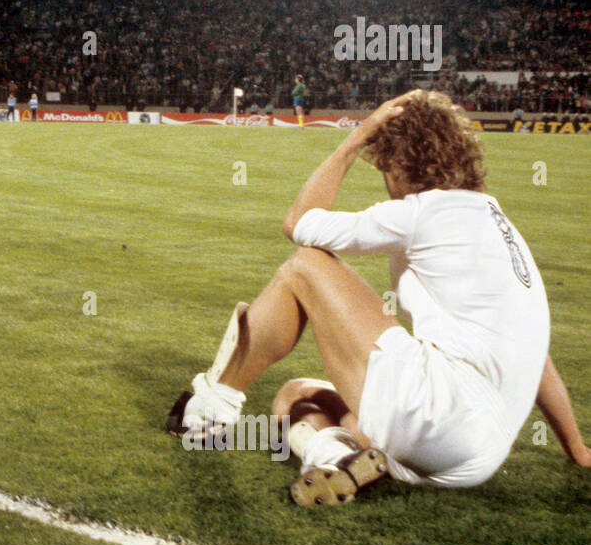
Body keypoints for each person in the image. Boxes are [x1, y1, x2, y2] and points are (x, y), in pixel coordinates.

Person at [167, 90, 587, 504]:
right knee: (293, 399)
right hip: (472, 461)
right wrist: (577, 450)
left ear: (400, 161)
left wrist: (353, 141)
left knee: (306, 265)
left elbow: (299, 222)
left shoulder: (424, 211)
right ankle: (333, 461)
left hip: (437, 413)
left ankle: (209, 412)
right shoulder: (500, 225)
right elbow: (538, 356)